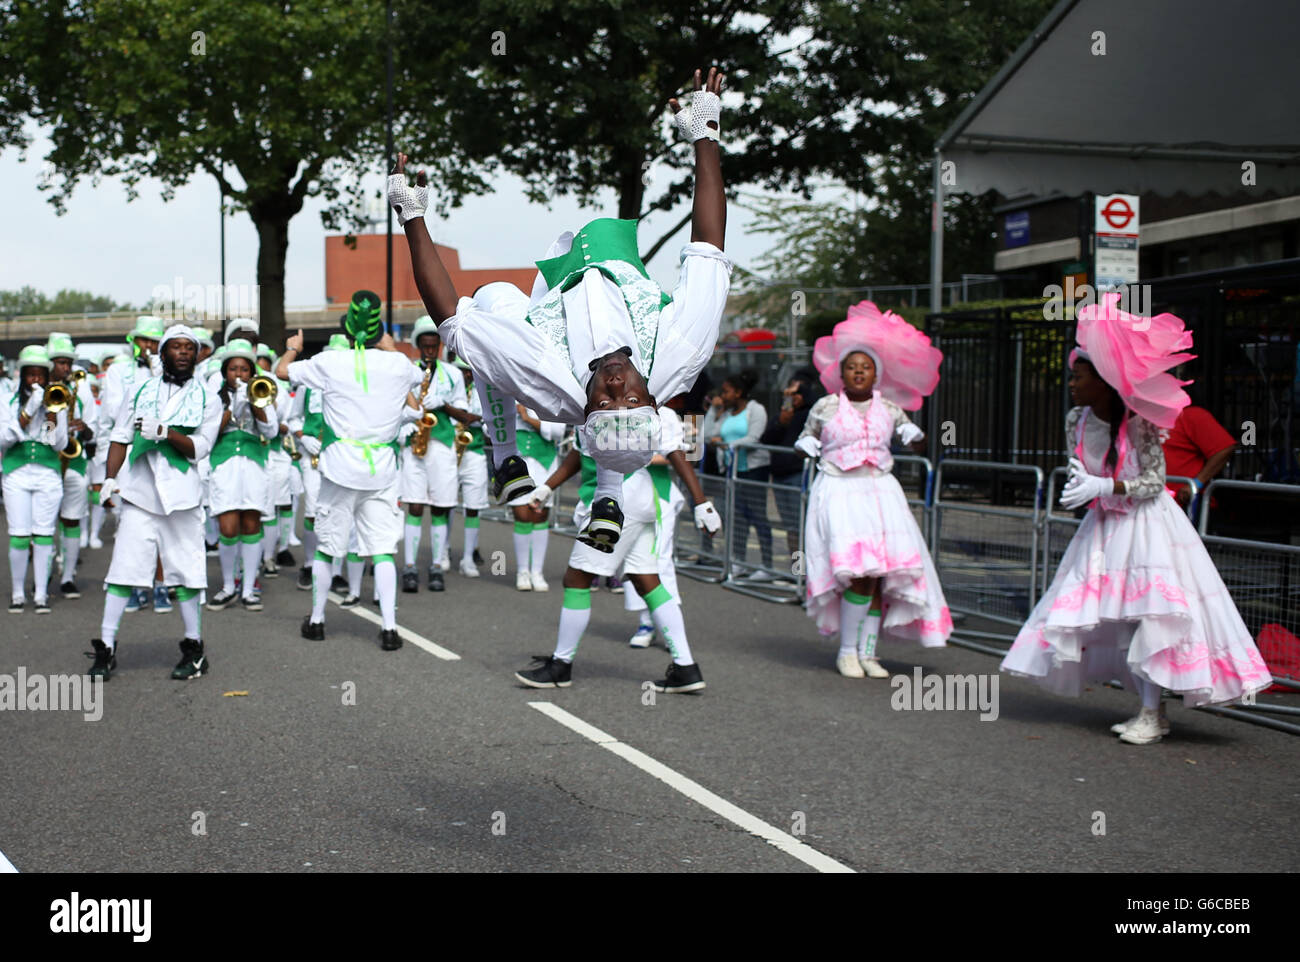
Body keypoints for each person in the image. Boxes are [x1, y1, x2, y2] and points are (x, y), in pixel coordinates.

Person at [390, 66, 731, 552]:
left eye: (605, 402)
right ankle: (603, 494)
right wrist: (705, 133)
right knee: (499, 355)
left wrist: (413, 216)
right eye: (630, 399)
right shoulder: (684, 347)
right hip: (614, 259)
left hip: (551, 307)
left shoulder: (551, 382)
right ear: (653, 399)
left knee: (484, 311)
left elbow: (450, 318)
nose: (616, 386)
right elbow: (708, 243)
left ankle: (505, 455)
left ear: (584, 409)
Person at [1000, 293, 1273, 744]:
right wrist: (1080, 490)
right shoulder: (1076, 419)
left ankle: (1151, 712)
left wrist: (1106, 487)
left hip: (1148, 526)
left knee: (1151, 615)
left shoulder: (1143, 421)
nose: (1072, 384)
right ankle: (1150, 709)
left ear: (1105, 380)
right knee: (1121, 621)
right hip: (1105, 528)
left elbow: (1153, 480)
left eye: (1079, 376)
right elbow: (1081, 468)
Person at [514, 406, 723, 692]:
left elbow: (676, 451)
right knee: (646, 579)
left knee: (577, 579)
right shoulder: (589, 401)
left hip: (621, 499)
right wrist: (547, 488)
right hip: (638, 499)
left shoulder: (629, 402)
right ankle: (686, 667)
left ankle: (561, 666)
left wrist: (702, 502)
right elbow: (578, 452)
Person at [796, 302, 951, 678]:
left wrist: (917, 436)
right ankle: (847, 651)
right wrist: (806, 444)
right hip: (839, 491)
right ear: (841, 374)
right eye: (852, 367)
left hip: (881, 494)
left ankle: (869, 652)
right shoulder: (826, 406)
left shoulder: (891, 409)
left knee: (881, 573)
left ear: (876, 374)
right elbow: (806, 436)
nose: (859, 373)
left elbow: (917, 442)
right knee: (858, 572)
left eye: (865, 367)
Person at [274, 291, 424, 650]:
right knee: (383, 549)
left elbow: (280, 372)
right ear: (379, 332)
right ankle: (389, 628)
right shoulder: (400, 366)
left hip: (339, 467)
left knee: (328, 547)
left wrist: (294, 346)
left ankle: (317, 620)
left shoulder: (330, 361)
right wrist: (391, 348)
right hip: (382, 471)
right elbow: (417, 386)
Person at [88, 325, 223, 680]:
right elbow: (120, 436)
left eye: (188, 348)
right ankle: (106, 647)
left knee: (187, 573)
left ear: (196, 356)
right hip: (140, 495)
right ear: (161, 354)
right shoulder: (140, 389)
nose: (182, 353)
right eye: (175, 347)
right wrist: (110, 478)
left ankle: (194, 649)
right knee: (123, 570)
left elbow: (201, 448)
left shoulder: (210, 396)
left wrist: (166, 432)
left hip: (183, 498)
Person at [398, 316, 472, 593]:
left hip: (441, 445)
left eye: (434, 346)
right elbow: (395, 407)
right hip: (414, 445)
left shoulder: (453, 374)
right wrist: (408, 421)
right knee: (415, 506)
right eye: (426, 346)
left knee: (441, 506)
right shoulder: (407, 373)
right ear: (418, 346)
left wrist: (444, 404)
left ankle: (436, 566)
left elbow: (464, 414)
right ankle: (409, 567)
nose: (430, 351)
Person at [205, 339, 279, 611]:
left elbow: (270, 432)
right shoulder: (214, 396)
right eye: (234, 369)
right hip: (224, 463)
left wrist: (254, 402)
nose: (239, 374)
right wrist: (230, 406)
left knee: (251, 525)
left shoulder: (261, 394)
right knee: (227, 527)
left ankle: (248, 588)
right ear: (226, 372)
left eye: (245, 369)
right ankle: (228, 585)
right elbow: (209, 433)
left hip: (253, 464)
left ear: (252, 373)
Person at [99, 316, 165, 610]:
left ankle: (161, 584)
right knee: (130, 524)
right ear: (133, 342)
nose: (149, 346)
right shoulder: (118, 370)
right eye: (144, 340)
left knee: (162, 521)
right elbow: (114, 412)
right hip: (126, 452)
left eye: (154, 341)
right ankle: (137, 584)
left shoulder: (167, 372)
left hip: (159, 452)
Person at [2, 346, 69, 614]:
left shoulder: (57, 401)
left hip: (47, 474)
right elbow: (3, 439)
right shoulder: (6, 400)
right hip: (16, 473)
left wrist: (52, 414)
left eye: (40, 375)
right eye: (30, 375)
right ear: (22, 377)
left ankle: (41, 594)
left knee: (44, 533)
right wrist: (27, 411)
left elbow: (58, 443)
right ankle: (18, 593)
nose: (35, 381)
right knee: (19, 534)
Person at [287, 332, 349, 589]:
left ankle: (335, 570)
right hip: (311, 457)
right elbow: (293, 419)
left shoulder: (352, 386)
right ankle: (311, 563)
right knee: (313, 510)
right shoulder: (307, 386)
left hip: (342, 457)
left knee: (339, 512)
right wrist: (304, 437)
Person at [46, 334, 99, 600]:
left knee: (71, 518)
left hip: (75, 462)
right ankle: (43, 575)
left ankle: (68, 577)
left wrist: (84, 427)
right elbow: (44, 435)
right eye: (60, 363)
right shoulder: (41, 390)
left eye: (68, 363)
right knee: (43, 523)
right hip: (46, 464)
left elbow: (94, 432)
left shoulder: (81, 390)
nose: (65, 368)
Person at [707, 371, 772, 577]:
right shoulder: (726, 414)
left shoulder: (756, 410)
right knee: (737, 518)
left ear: (739, 392)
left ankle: (767, 565)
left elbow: (754, 438)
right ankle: (739, 561)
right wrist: (714, 409)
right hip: (731, 472)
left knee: (758, 517)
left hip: (753, 471)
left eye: (726, 392)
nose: (723, 395)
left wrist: (727, 445)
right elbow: (708, 435)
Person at [761, 374, 819, 556]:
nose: (793, 397)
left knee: (802, 524)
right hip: (780, 476)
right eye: (789, 393)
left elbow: (814, 401)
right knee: (791, 527)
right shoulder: (784, 415)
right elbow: (766, 439)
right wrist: (781, 421)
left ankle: (806, 574)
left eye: (797, 393)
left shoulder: (812, 413)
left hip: (798, 476)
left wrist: (801, 392)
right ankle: (797, 571)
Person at [449, 355, 488, 576]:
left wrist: (477, 419)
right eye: (462, 370)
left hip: (473, 452)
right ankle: (443, 550)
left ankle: (468, 558)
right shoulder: (449, 389)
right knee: (445, 504)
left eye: (469, 371)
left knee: (473, 506)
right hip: (449, 451)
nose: (466, 375)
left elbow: (488, 423)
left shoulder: (482, 392)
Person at [1162, 403, 1236, 510]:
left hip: (1184, 504)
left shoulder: (1190, 415)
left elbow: (1224, 449)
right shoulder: (1140, 418)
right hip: (1149, 503)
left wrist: (1196, 484)